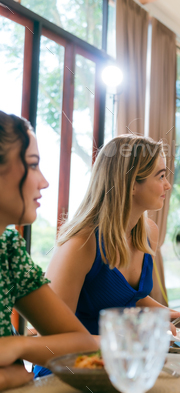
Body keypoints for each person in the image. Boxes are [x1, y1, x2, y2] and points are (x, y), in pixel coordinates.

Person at [35, 135, 180, 377]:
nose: (168, 185)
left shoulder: (148, 233)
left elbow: (131, 297)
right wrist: (132, 336)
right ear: (132, 183)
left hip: (123, 362)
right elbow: (50, 338)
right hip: (72, 371)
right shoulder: (81, 244)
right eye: (161, 176)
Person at [0, 111, 97, 390]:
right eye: (32, 165)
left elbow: (83, 345)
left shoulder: (9, 250)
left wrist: (17, 346)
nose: (44, 182)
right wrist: (8, 375)